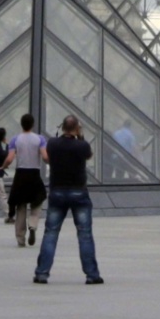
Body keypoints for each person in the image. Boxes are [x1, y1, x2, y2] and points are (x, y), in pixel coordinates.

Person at [32, 115, 102, 285]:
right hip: (78, 192)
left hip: (57, 192)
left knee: (51, 233)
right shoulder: (82, 145)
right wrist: (81, 135)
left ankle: (42, 273)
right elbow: (89, 155)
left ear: (62, 127)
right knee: (84, 235)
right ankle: (91, 275)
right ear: (76, 128)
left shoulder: (53, 143)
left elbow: (47, 157)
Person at [6, 113, 47, 248]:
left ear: (21, 124)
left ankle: (20, 238)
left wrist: (3, 166)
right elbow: (45, 157)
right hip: (34, 173)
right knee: (37, 202)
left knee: (20, 206)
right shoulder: (40, 139)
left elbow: (10, 158)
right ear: (32, 124)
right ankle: (33, 226)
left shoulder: (15, 139)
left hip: (21, 174)